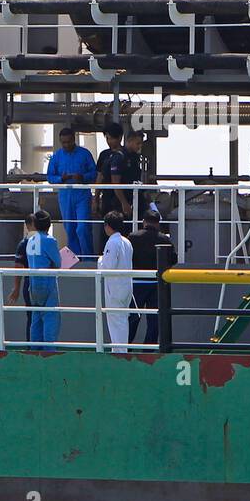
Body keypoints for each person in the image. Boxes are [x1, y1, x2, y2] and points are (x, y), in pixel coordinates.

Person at [46, 127, 97, 257]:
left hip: (82, 194)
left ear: (74, 139)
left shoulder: (84, 154)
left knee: (82, 227)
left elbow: (94, 173)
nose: (67, 145)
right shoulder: (57, 156)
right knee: (69, 228)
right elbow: (50, 177)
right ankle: (75, 257)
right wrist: (60, 179)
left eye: (69, 142)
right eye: (64, 143)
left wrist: (83, 177)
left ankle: (87, 257)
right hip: (65, 195)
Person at [128, 210, 176, 345]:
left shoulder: (133, 237)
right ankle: (149, 349)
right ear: (158, 224)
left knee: (132, 317)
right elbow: (173, 259)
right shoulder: (164, 239)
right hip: (157, 283)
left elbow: (127, 258)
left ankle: (126, 346)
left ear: (144, 222)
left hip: (136, 282)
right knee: (154, 319)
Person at [97, 210, 134, 353]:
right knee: (122, 321)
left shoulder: (112, 242)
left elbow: (108, 266)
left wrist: (100, 260)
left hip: (115, 289)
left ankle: (120, 353)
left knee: (115, 322)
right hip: (126, 287)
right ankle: (119, 350)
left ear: (107, 226)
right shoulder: (127, 242)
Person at [25, 210, 63, 345]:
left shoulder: (30, 240)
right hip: (47, 284)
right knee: (51, 319)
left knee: (36, 320)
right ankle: (49, 352)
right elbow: (58, 263)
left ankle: (35, 351)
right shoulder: (50, 240)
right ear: (49, 225)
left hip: (33, 285)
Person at [95, 122, 130, 249]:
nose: (110, 141)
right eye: (107, 138)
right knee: (106, 230)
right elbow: (99, 177)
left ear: (120, 137)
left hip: (123, 197)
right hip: (108, 199)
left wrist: (125, 202)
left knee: (124, 229)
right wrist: (96, 198)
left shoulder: (126, 154)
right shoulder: (104, 155)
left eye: (112, 138)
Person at [7, 213, 36, 342]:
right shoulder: (23, 244)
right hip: (30, 283)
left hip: (38, 283)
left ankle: (40, 346)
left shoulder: (42, 241)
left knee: (40, 316)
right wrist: (17, 288)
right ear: (28, 225)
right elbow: (18, 267)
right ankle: (32, 347)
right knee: (32, 316)